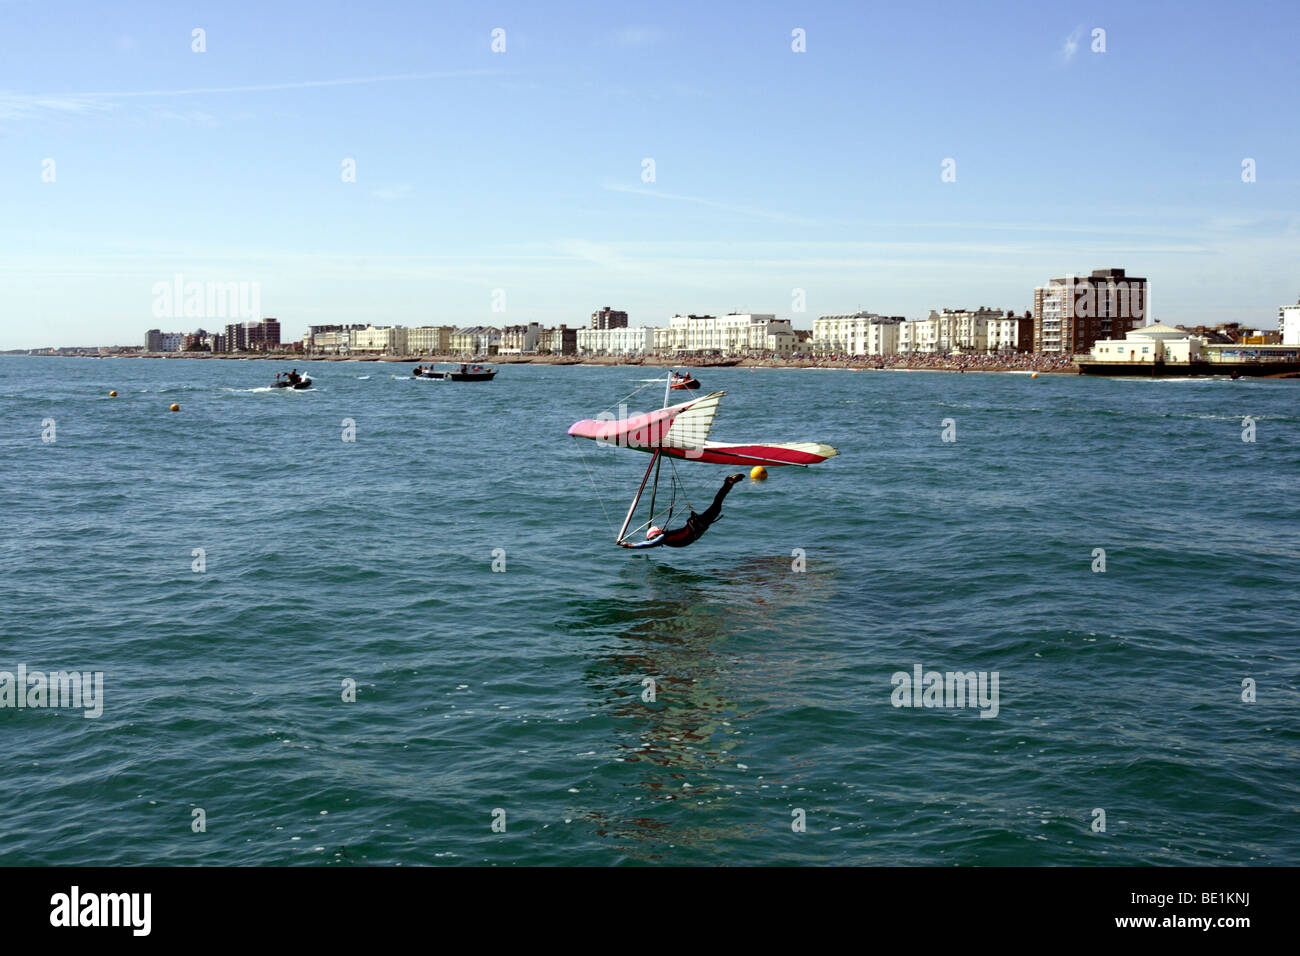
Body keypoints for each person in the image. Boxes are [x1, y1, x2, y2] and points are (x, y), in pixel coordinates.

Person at [619, 473, 746, 549]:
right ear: (656, 533)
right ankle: (728, 483)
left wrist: (631, 545)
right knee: (717, 504)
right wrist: (631, 545)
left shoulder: (665, 538)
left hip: (698, 525)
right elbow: (649, 544)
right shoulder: (662, 538)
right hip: (697, 526)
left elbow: (649, 543)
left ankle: (728, 483)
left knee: (717, 505)